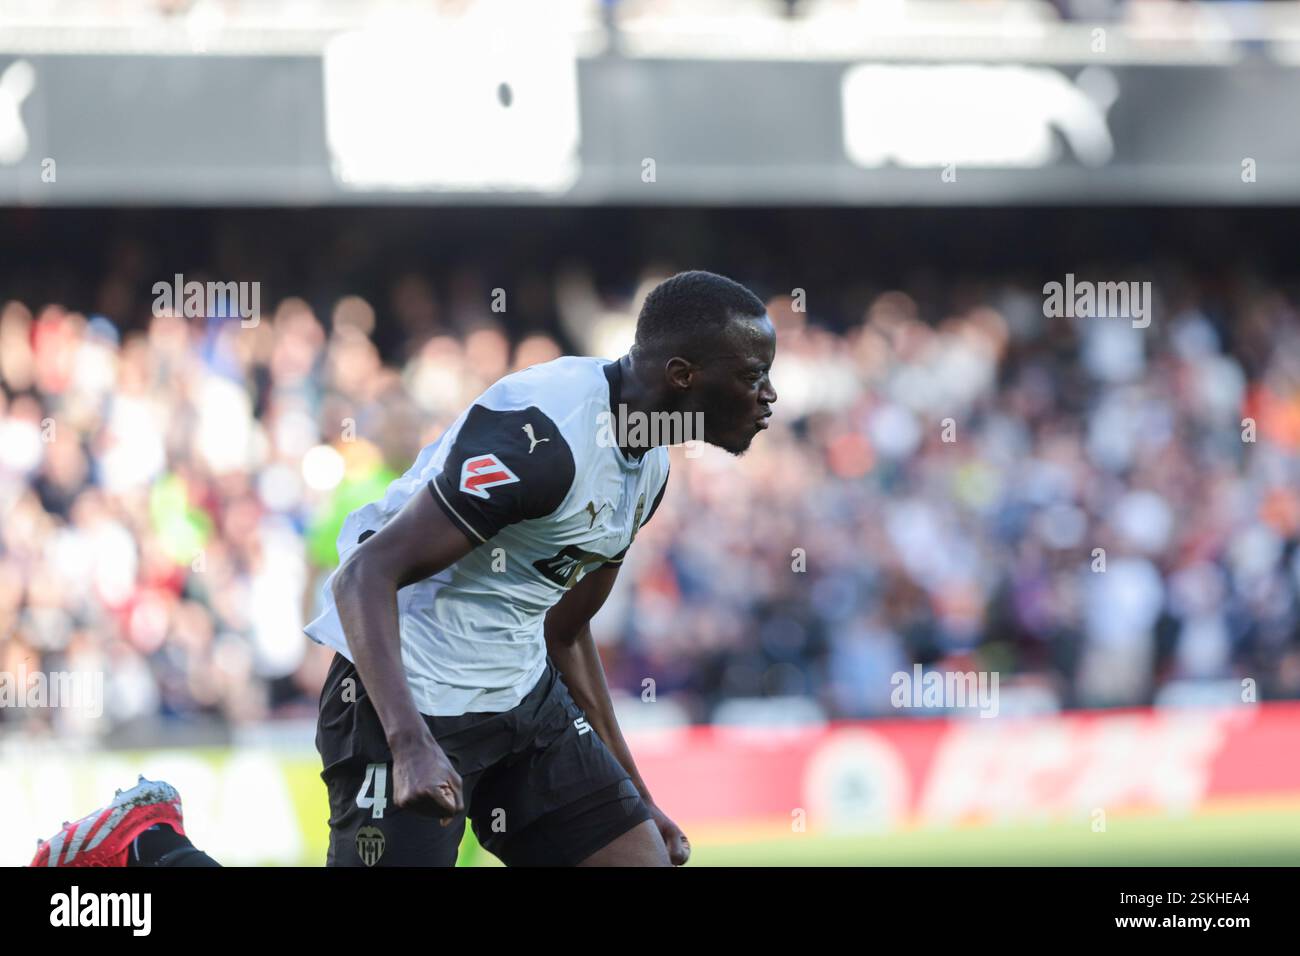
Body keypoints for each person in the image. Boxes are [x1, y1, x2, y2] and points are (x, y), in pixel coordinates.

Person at [31, 269, 777, 868]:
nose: (770, 396)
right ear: (682, 375)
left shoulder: (646, 467)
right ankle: (146, 848)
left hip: (525, 703)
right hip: (405, 700)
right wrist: (410, 741)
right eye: (753, 374)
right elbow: (362, 574)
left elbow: (566, 629)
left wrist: (637, 794)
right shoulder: (544, 440)